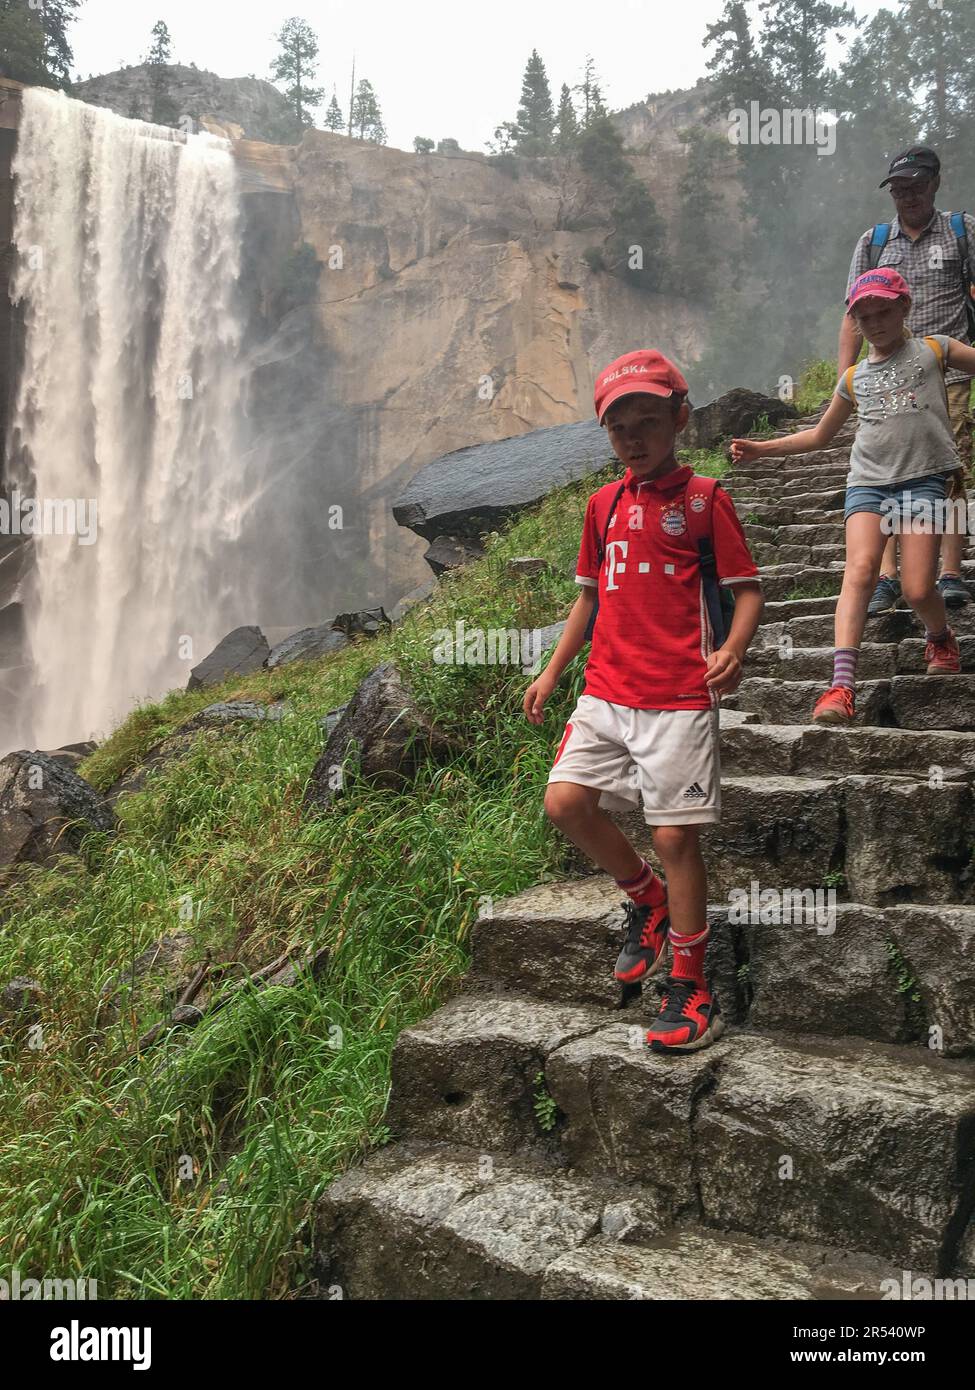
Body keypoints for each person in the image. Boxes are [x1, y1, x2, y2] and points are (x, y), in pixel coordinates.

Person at [524, 349, 764, 1053]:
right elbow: (588, 602)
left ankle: (690, 985)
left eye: (648, 421)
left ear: (679, 419)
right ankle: (646, 897)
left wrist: (734, 648)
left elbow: (746, 590)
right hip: (606, 688)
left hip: (678, 696)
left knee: (672, 836)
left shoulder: (705, 500)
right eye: (619, 427)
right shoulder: (600, 507)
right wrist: (550, 671)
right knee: (565, 803)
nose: (634, 438)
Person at [733, 267, 974, 725]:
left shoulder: (934, 350)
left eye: (884, 311)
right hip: (867, 482)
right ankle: (841, 687)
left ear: (905, 308)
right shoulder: (854, 378)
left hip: (924, 479)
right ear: (855, 323)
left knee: (918, 587)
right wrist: (761, 449)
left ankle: (939, 634)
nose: (876, 323)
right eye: (865, 317)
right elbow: (820, 436)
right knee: (859, 571)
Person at [839, 146, 975, 614]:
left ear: (935, 184)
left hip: (946, 367)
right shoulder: (875, 241)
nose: (908, 197)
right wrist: (847, 377)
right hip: (883, 376)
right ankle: (887, 576)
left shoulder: (962, 230)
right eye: (899, 190)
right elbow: (852, 312)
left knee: (946, 463)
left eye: (916, 187)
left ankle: (951, 570)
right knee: (888, 466)